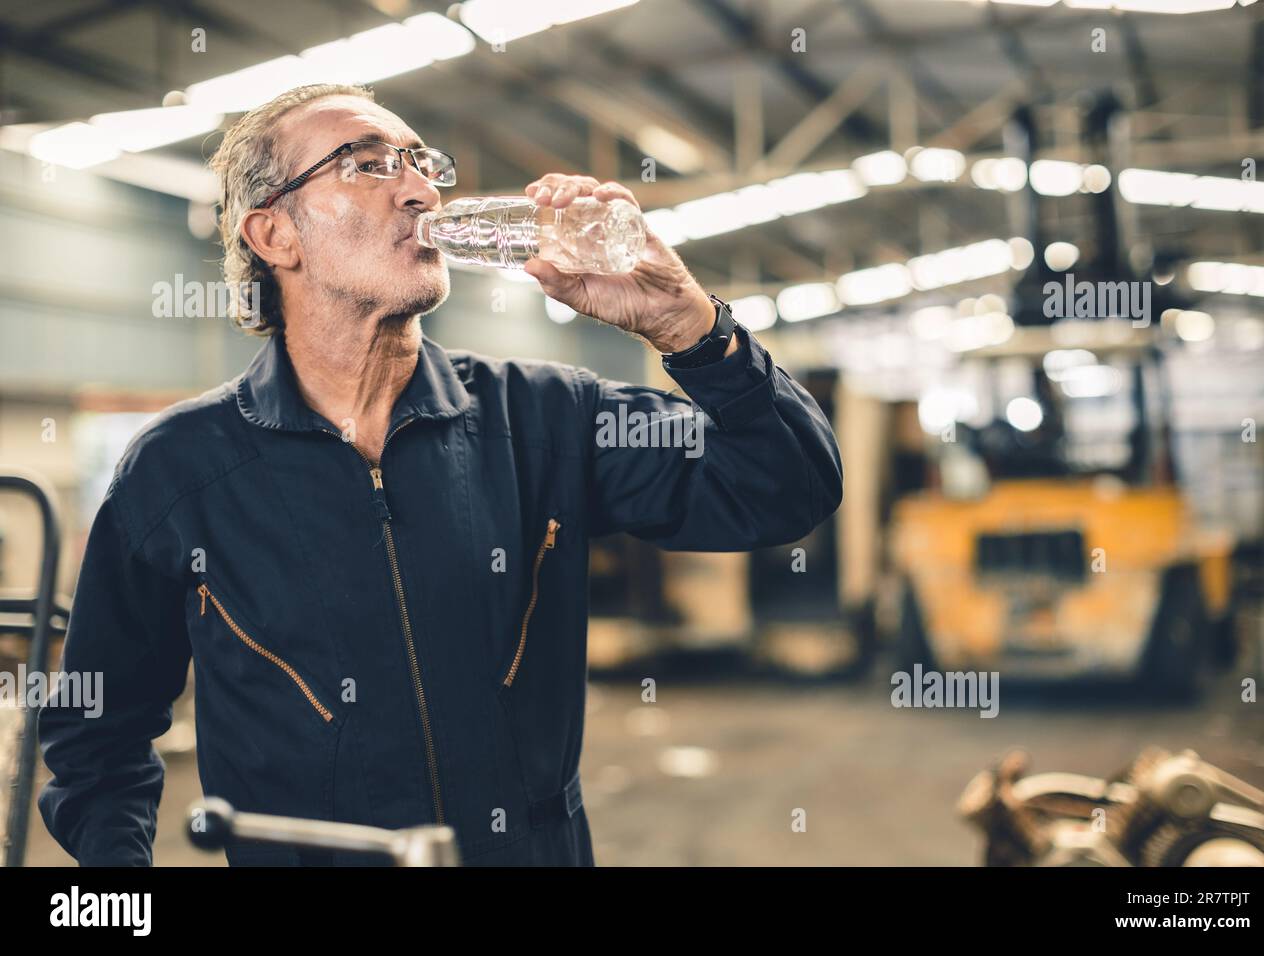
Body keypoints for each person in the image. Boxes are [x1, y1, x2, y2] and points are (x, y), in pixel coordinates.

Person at [37, 83, 843, 866]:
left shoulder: (546, 418)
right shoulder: (181, 469)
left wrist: (689, 327)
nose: (422, 190)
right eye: (367, 164)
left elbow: (787, 487)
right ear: (274, 235)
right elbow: (97, 735)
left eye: (422, 163)